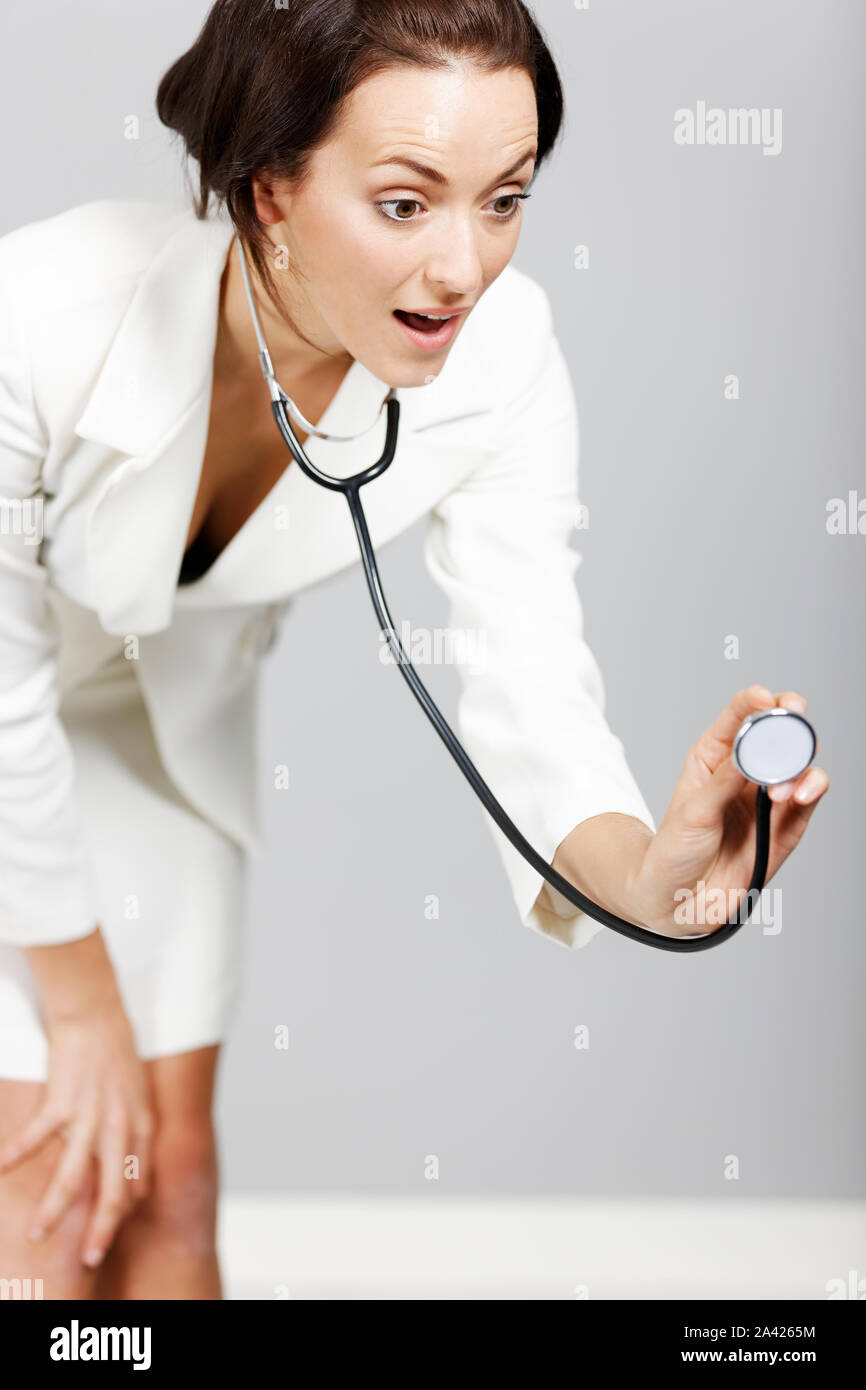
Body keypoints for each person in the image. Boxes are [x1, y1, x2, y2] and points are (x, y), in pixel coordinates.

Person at [0, 0, 828, 1301]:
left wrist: (653, 877)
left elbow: (530, 684)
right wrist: (84, 1006)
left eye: (503, 200)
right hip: (9, 739)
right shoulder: (36, 316)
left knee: (173, 1187)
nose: (463, 266)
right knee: (50, 1216)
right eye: (405, 203)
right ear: (270, 186)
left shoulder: (498, 359)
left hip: (158, 744)